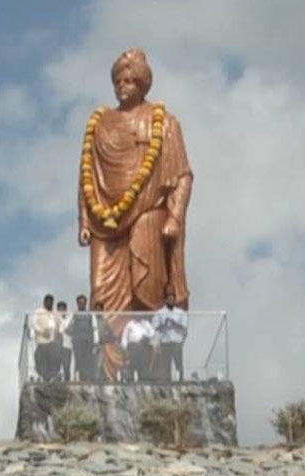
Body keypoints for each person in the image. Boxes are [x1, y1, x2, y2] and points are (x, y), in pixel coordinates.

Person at [78, 49, 194, 381]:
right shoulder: (99, 125)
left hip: (149, 219)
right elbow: (84, 177)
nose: (123, 86)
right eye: (118, 81)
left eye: (130, 80)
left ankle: (153, 374)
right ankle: (111, 376)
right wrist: (85, 221)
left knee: (149, 294)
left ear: (143, 84)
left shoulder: (163, 122)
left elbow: (183, 177)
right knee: (103, 296)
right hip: (105, 226)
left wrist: (174, 217)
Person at [152, 293, 188, 381]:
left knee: (178, 363)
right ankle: (167, 381)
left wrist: (174, 323)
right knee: (165, 364)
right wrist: (165, 324)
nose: (171, 301)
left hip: (176, 342)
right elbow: (156, 328)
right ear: (165, 300)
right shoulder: (159, 313)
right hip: (165, 342)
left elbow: (184, 328)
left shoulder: (180, 313)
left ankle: (180, 380)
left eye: (172, 299)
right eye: (169, 299)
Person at [29, 294, 61, 381]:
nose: (49, 304)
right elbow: (34, 324)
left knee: (54, 360)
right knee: (42, 360)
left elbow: (59, 325)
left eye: (51, 302)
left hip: (53, 342)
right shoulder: (39, 311)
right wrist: (43, 331)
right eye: (48, 302)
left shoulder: (55, 313)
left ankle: (53, 376)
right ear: (44, 302)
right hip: (42, 341)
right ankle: (43, 377)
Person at [66, 295, 97, 382]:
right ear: (77, 304)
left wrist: (95, 342)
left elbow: (94, 328)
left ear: (85, 303)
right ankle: (78, 378)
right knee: (78, 359)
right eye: (80, 303)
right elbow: (66, 327)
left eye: (83, 303)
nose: (81, 304)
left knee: (87, 360)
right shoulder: (74, 314)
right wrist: (73, 334)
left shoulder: (90, 314)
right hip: (77, 341)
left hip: (88, 341)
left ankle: (87, 378)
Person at [120, 315, 155, 382]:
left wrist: (146, 337)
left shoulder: (146, 323)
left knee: (143, 366)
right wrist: (124, 348)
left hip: (144, 347)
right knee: (132, 365)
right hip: (133, 347)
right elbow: (124, 337)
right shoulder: (130, 324)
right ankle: (131, 382)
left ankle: (143, 382)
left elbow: (152, 332)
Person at [55, 300, 73, 380]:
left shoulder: (69, 319)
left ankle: (67, 382)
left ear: (65, 310)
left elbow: (71, 331)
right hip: (57, 346)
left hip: (67, 346)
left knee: (66, 366)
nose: (61, 311)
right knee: (57, 366)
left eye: (63, 309)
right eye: (59, 309)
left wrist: (65, 330)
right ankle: (57, 383)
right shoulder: (55, 319)